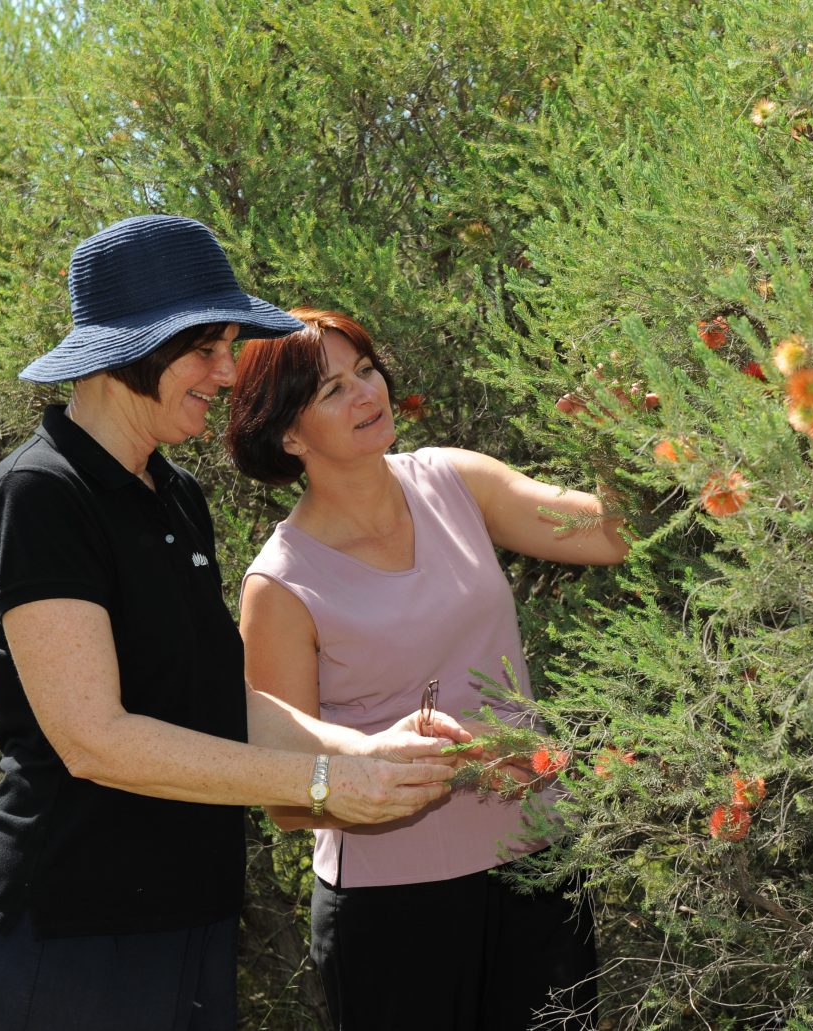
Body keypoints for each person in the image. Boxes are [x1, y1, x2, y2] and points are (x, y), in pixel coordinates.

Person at [0, 217, 466, 1031]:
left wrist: (366, 754)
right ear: (126, 350)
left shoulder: (175, 495)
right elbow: (94, 740)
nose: (227, 373)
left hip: (186, 929)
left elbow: (212, 698)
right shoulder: (42, 493)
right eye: (205, 348)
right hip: (65, 943)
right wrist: (324, 784)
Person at [224, 309, 631, 1031]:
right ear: (289, 435)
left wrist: (610, 435)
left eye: (366, 372)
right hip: (393, 910)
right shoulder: (279, 585)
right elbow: (283, 795)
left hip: (540, 869)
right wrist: (440, 765)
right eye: (330, 391)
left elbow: (609, 536)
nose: (366, 394)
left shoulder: (456, 481)